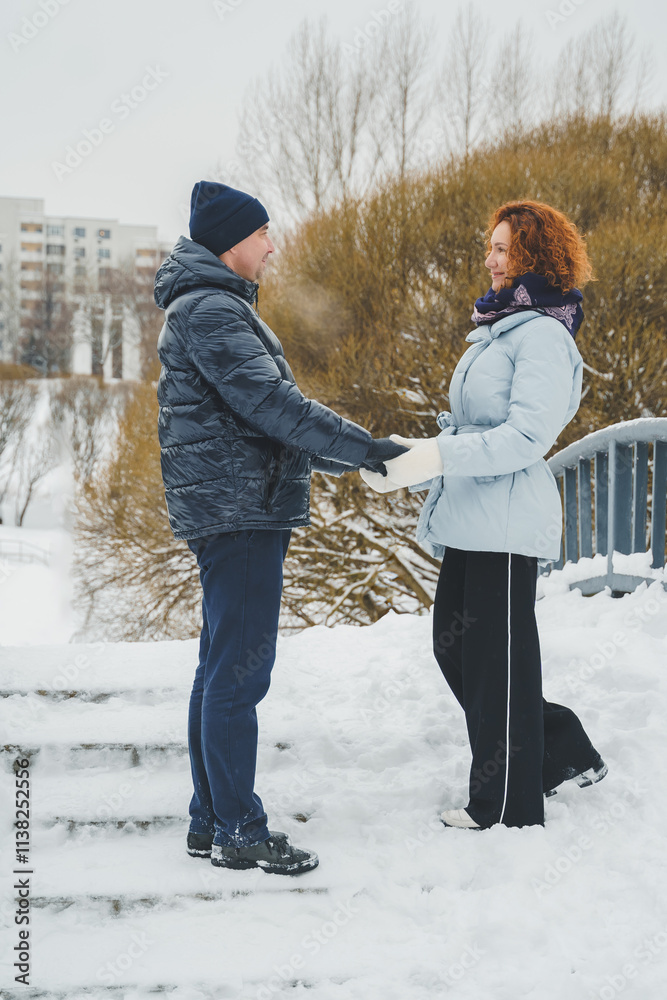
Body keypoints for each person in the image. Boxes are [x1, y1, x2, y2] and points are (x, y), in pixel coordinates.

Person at [154, 181, 406, 874]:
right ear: (230, 241)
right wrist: (367, 447)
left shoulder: (211, 306)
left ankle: (210, 820)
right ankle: (241, 830)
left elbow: (268, 419)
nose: (271, 245)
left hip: (236, 507)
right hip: (239, 513)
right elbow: (272, 405)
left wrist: (357, 460)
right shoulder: (212, 310)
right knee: (238, 674)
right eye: (262, 233)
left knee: (219, 669)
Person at [362, 200, 607, 830]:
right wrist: (414, 457)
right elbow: (473, 425)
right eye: (490, 247)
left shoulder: (546, 337)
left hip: (504, 519)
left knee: (495, 665)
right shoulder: (499, 329)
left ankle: (504, 806)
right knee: (463, 652)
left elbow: (527, 437)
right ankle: (558, 748)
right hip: (472, 511)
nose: (489, 259)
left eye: (501, 249)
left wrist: (436, 455)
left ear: (533, 255)